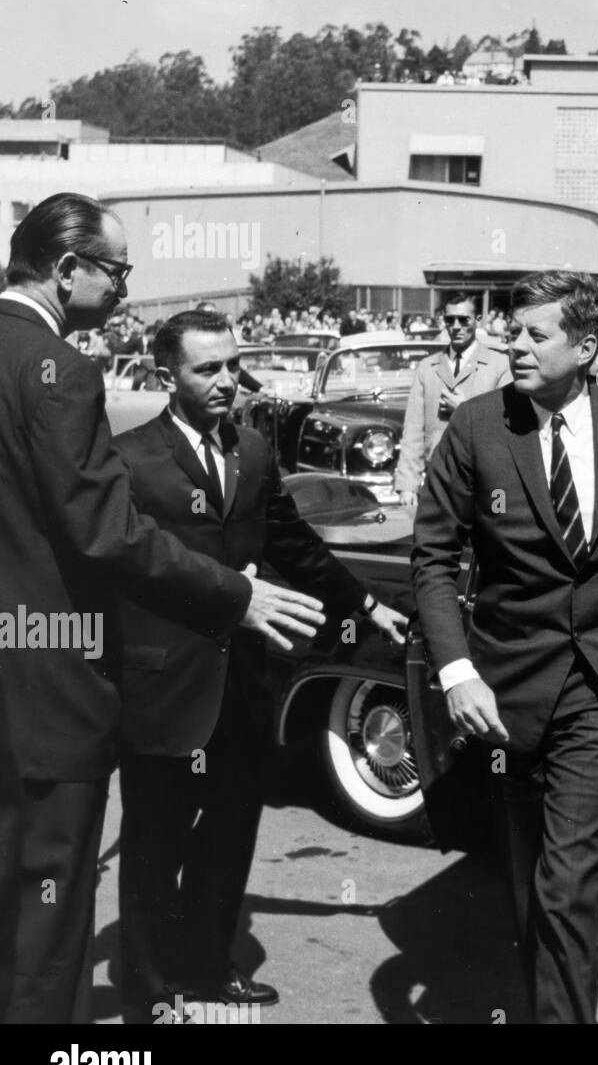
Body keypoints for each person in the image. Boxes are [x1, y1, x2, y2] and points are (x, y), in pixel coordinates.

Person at [0, 194, 325, 1024]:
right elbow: (106, 532)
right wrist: (238, 593)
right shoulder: (61, 369)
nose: (122, 288)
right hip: (50, 687)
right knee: (49, 922)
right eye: (116, 272)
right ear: (66, 269)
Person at [411, 270, 598, 1024]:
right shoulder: (476, 427)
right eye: (513, 332)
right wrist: (458, 670)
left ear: (589, 346)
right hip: (505, 697)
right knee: (531, 885)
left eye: (537, 335)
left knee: (568, 888)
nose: (516, 346)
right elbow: (433, 558)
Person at [112, 311, 407, 1022]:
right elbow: (124, 566)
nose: (224, 382)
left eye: (231, 366)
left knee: (231, 827)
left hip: (244, 680)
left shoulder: (251, 449)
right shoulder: (129, 459)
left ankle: (209, 967)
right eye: (204, 370)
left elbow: (293, 543)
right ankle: (150, 990)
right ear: (164, 376)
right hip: (165, 683)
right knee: (156, 840)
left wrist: (367, 605)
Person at [393, 294, 509, 506]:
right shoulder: (427, 368)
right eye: (449, 320)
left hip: (488, 485)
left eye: (464, 319)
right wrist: (408, 486)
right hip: (438, 484)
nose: (456, 326)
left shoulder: (499, 366)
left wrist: (465, 411)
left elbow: (507, 430)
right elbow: (413, 431)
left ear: (478, 320)